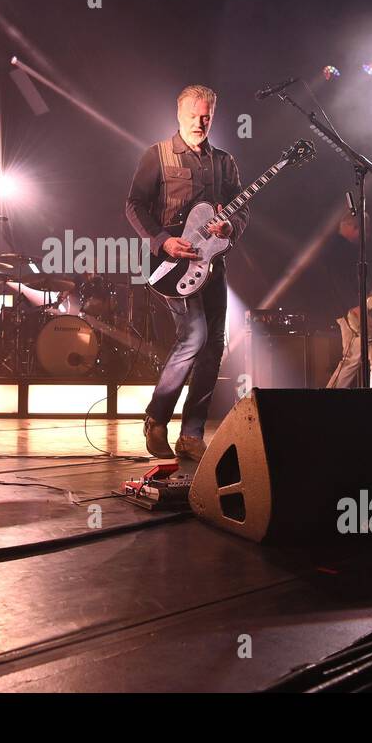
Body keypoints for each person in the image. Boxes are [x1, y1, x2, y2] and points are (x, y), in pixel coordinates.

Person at [125, 84, 248, 462]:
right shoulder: (157, 155)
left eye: (206, 115)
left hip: (213, 265)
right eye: (193, 115)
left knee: (213, 347)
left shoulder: (225, 162)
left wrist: (231, 228)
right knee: (194, 337)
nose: (200, 122)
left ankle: (192, 434)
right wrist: (163, 241)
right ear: (178, 115)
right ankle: (156, 417)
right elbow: (134, 205)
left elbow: (241, 211)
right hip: (173, 264)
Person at [325, 209, 372, 388]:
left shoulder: (351, 250)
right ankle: (327, 405)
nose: (365, 235)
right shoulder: (336, 248)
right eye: (363, 230)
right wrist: (356, 308)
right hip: (352, 313)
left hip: (366, 312)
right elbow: (338, 281)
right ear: (352, 227)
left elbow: (361, 282)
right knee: (352, 360)